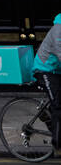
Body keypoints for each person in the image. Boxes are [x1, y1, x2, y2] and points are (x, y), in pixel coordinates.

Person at [32, 10, 61, 153]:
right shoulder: (59, 29)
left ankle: (47, 114)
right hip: (45, 70)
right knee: (58, 106)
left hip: (57, 71)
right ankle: (58, 145)